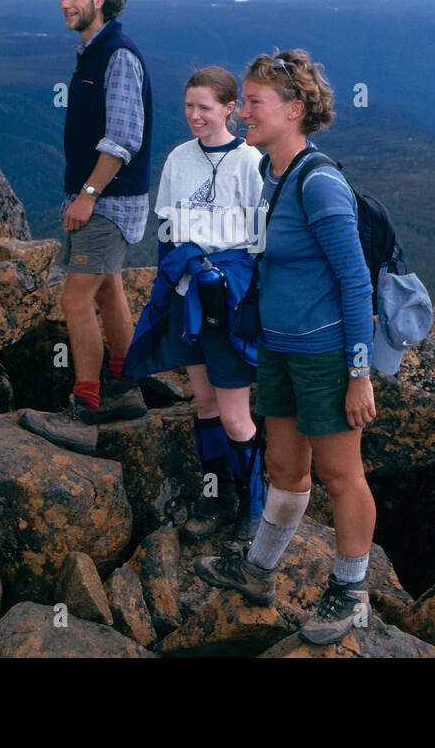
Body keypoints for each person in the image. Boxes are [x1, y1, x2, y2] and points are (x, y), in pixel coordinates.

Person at [193, 49, 378, 646]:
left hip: (324, 354)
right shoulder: (274, 175)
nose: (242, 111)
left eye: (253, 102)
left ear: (294, 110)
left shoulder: (319, 183)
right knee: (284, 467)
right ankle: (259, 571)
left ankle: (350, 590)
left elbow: (355, 281)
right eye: (242, 100)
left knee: (340, 473)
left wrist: (358, 372)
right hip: (279, 349)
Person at [123, 67, 265, 547]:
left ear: (230, 107)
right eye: (189, 106)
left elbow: (260, 242)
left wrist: (241, 293)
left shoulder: (251, 162)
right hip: (188, 298)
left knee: (233, 415)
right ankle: (217, 496)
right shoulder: (178, 160)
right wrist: (167, 289)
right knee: (204, 403)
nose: (194, 116)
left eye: (205, 107)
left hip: (228, 302)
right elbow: (167, 232)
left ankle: (255, 507)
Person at [19, 0, 151, 455]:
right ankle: (124, 388)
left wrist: (87, 196)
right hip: (102, 199)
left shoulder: (117, 56)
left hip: (107, 203)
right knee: (108, 291)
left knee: (75, 299)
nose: (65, 4)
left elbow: (122, 140)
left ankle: (85, 408)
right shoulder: (94, 52)